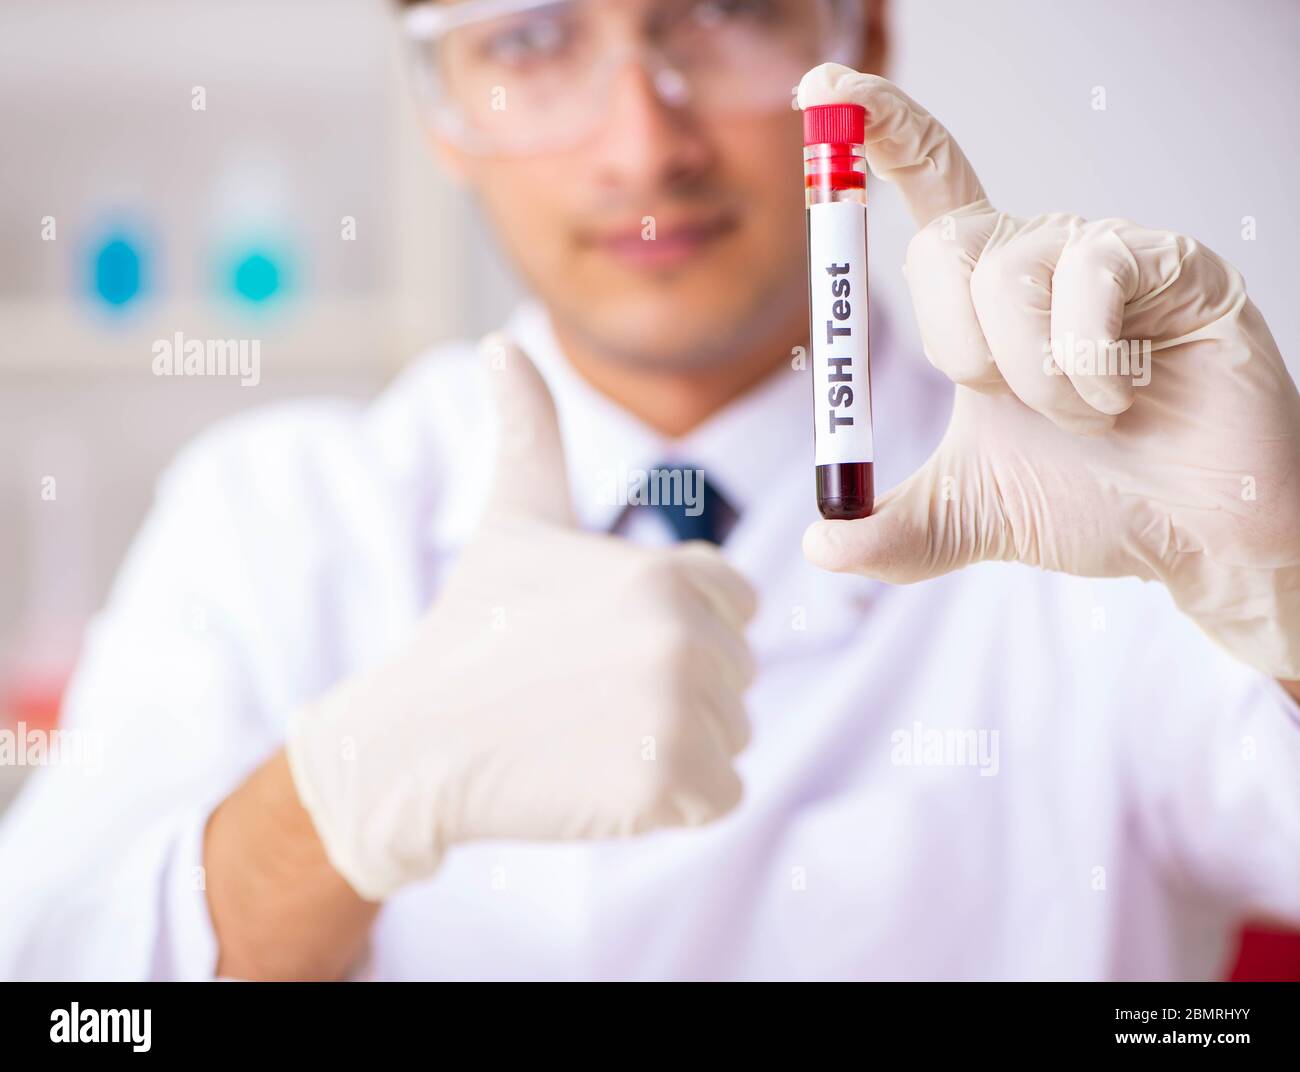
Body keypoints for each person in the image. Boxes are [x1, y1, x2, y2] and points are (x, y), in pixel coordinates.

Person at [1, 0, 1297, 982]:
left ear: (865, 36)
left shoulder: (1113, 509)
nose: (643, 141)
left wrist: (1286, 568)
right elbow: (61, 985)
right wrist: (343, 794)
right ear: (438, 108)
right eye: (531, 39)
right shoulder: (279, 515)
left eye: (726, 9)